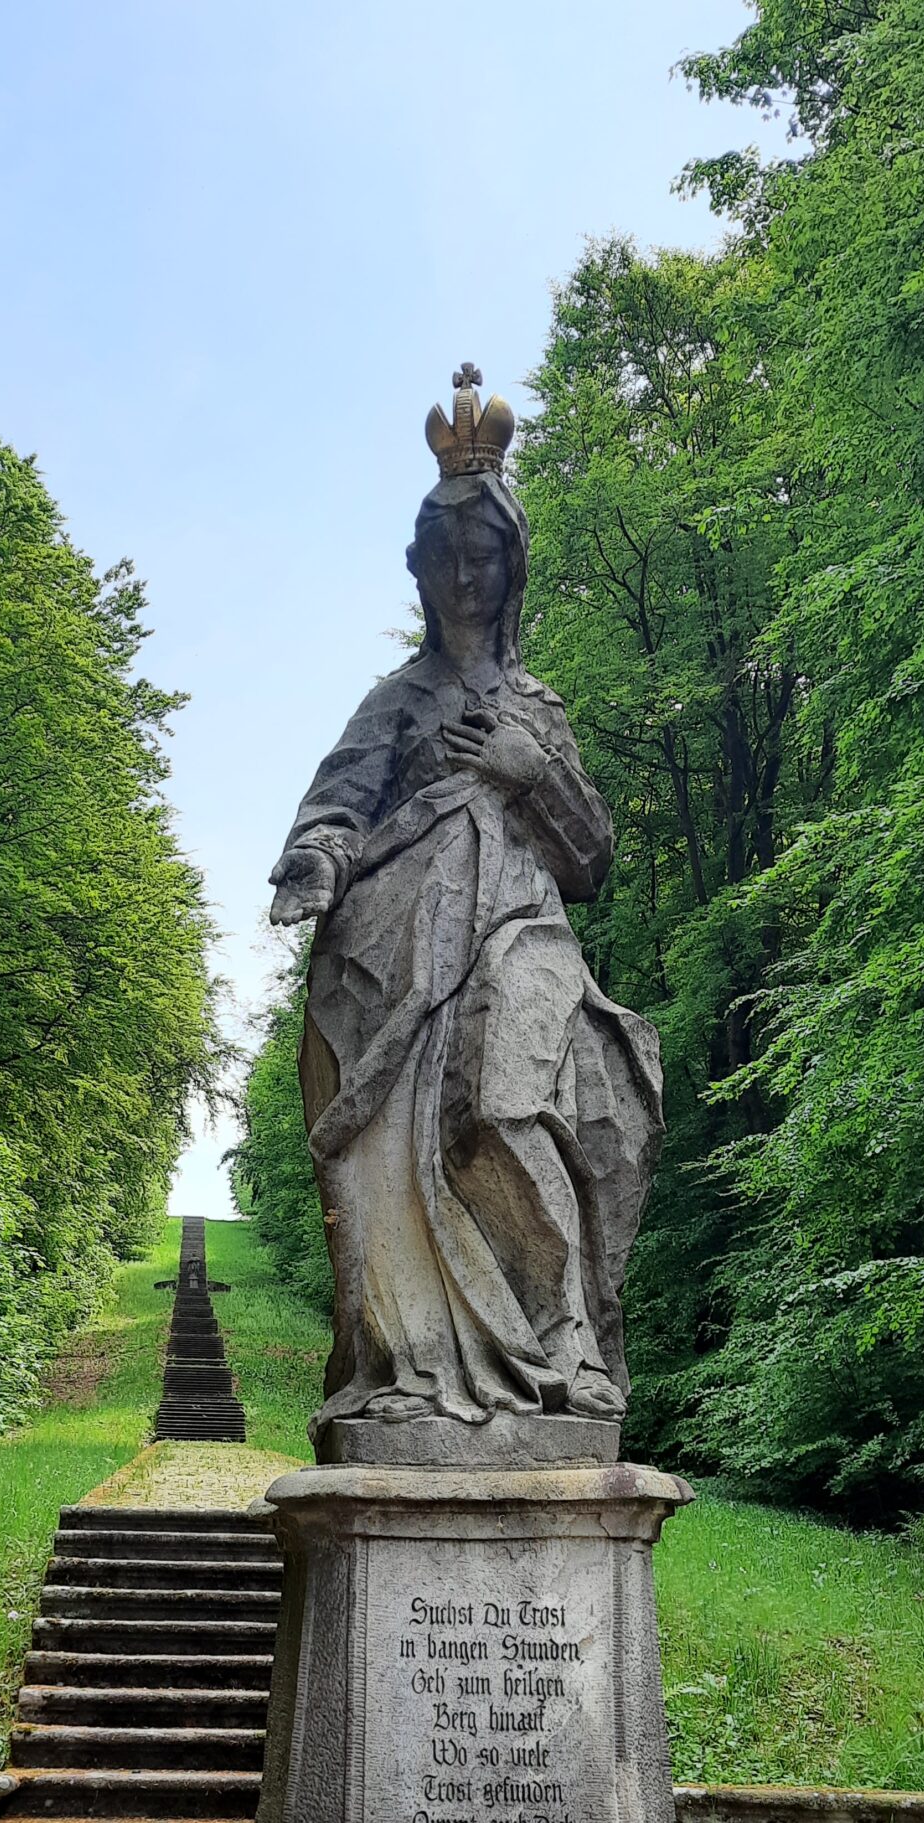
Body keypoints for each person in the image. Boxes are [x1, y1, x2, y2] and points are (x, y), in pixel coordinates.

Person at [268, 369, 663, 1447]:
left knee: (499, 1103)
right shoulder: (394, 701)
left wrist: (534, 768)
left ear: (511, 565)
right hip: (400, 947)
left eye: (483, 557)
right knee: (401, 1140)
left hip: (524, 933)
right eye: (445, 559)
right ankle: (417, 1356)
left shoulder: (540, 706)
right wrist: (314, 862)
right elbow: (334, 808)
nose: (465, 578)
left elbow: (592, 859)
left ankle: (563, 1342)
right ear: (420, 570)